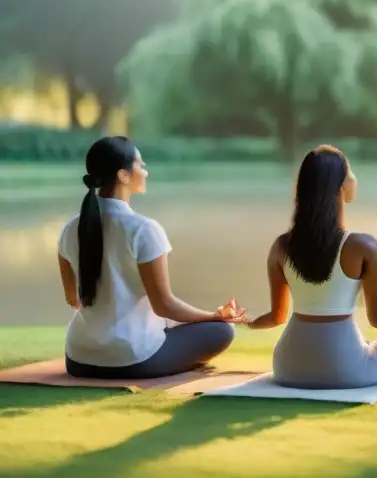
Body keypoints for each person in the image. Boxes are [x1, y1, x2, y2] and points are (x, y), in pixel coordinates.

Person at [57, 136, 242, 380]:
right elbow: (164, 305)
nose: (146, 172)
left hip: (79, 358)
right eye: (141, 165)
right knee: (223, 331)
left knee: (178, 328)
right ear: (123, 175)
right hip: (132, 359)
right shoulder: (143, 229)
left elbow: (73, 299)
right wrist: (215, 316)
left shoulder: (71, 229)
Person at [246, 145, 377, 389]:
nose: (355, 179)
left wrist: (245, 320)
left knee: (372, 342)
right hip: (345, 369)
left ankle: (360, 347)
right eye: (350, 172)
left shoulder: (281, 246)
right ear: (341, 187)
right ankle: (366, 347)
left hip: (288, 367)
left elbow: (276, 317)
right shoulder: (364, 246)